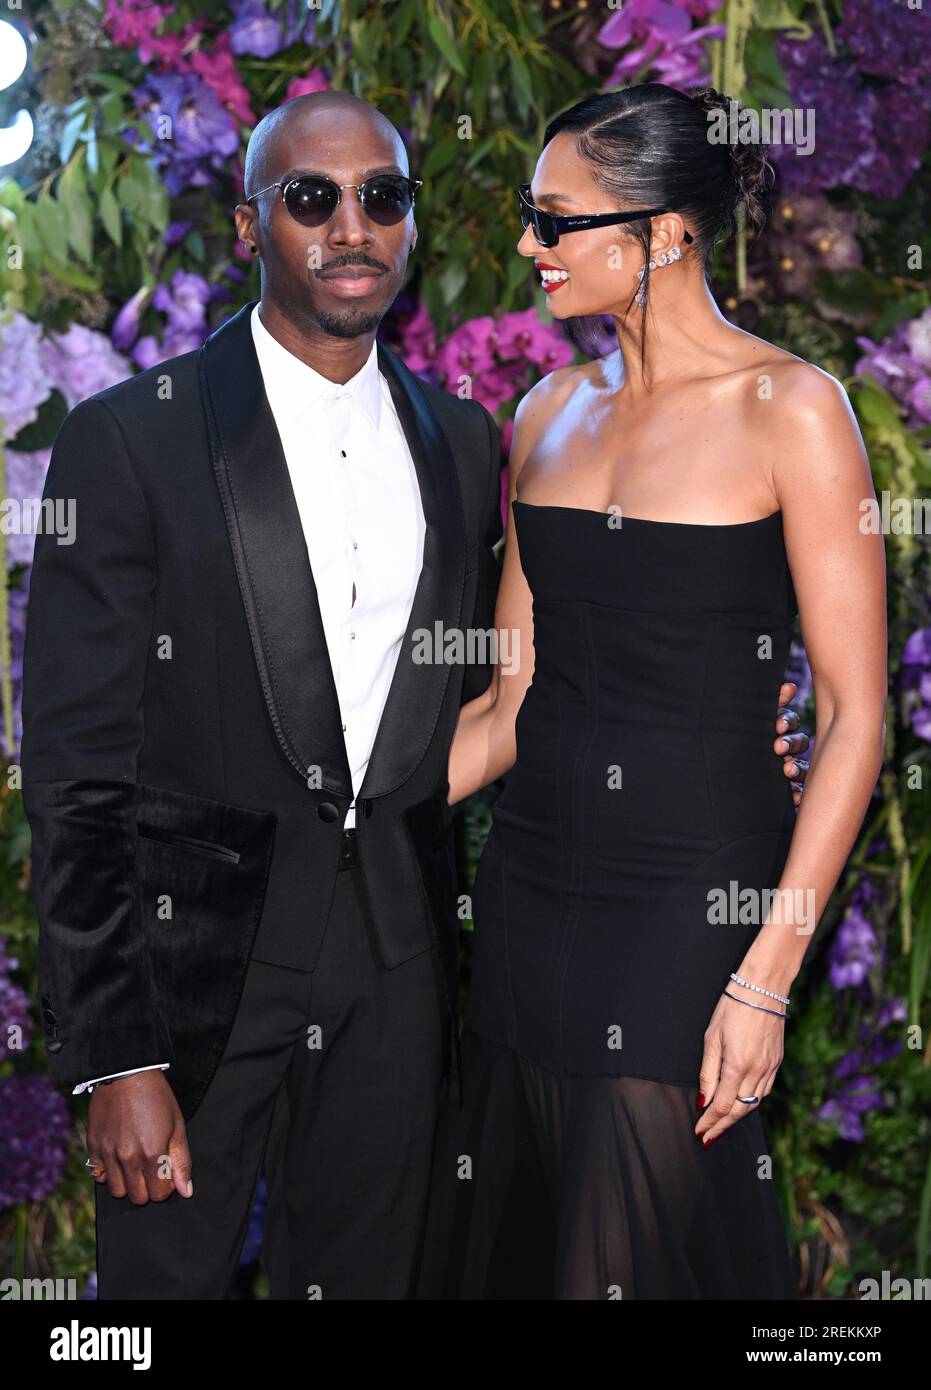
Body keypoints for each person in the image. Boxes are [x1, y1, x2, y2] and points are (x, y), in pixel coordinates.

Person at [20, 89, 506, 1299]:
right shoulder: (130, 439)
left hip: (394, 967)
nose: (351, 226)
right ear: (248, 225)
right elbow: (76, 773)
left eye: (381, 197)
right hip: (194, 978)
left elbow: (483, 691)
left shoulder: (461, 441)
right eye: (311, 198)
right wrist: (114, 1054)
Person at [417, 83, 886, 1300]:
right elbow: (509, 704)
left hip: (691, 901)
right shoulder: (544, 413)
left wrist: (765, 977)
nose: (530, 243)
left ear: (664, 233)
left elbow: (852, 718)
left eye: (555, 218)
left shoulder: (794, 411)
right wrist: (340, 801)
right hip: (528, 891)